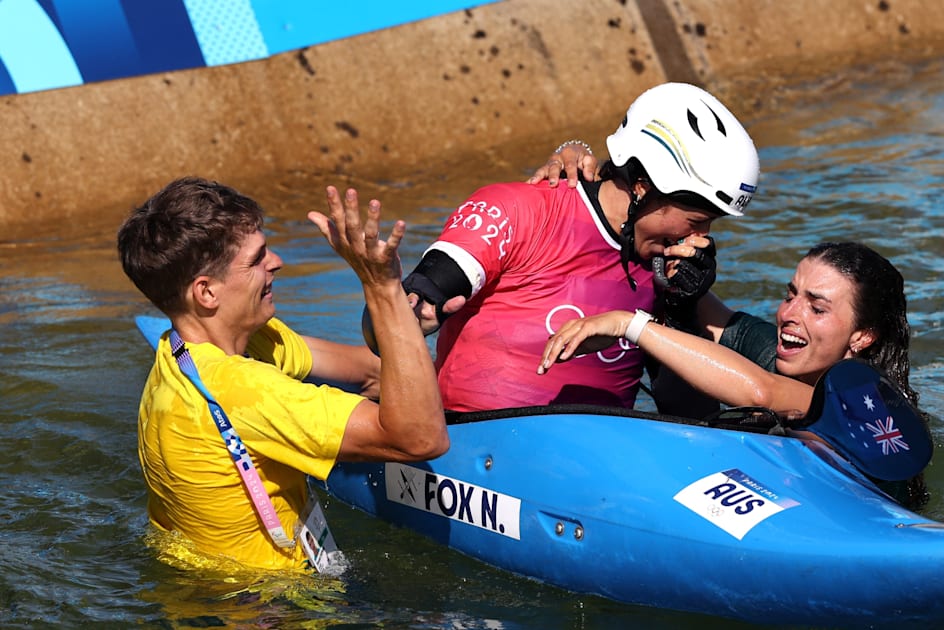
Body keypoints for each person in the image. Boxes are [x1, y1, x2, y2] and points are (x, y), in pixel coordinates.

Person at [117, 177, 449, 572]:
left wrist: (417, 323)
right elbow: (419, 438)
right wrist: (381, 288)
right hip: (264, 605)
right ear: (206, 293)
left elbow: (369, 371)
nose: (277, 262)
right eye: (257, 259)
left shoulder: (196, 349)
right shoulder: (239, 391)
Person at [392, 82, 759, 412]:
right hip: (473, 448)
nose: (700, 240)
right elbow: (386, 328)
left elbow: (692, 417)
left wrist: (680, 312)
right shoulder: (517, 210)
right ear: (644, 186)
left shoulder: (667, 271)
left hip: (599, 458)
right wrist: (395, 305)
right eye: (696, 221)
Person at [539, 241, 929, 506]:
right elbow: (708, 316)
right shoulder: (779, 352)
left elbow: (762, 392)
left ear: (862, 336)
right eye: (790, 294)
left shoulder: (868, 403)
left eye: (817, 308)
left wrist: (630, 325)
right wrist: (680, 275)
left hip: (859, 518)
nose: (789, 315)